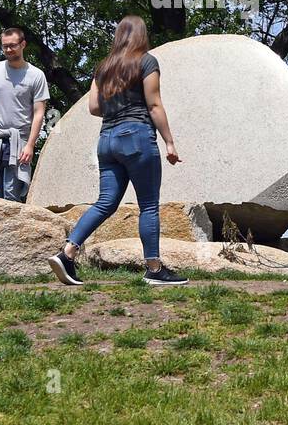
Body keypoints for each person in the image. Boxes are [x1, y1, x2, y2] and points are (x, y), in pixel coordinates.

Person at [47, 15, 187, 287]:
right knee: (148, 205)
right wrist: (169, 142)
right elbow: (154, 105)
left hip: (107, 140)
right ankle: (154, 268)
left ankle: (67, 252)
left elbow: (94, 108)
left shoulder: (104, 68)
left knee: (105, 202)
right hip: (136, 137)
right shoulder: (146, 61)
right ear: (141, 36)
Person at [0, 27, 50, 202]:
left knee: (12, 196)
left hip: (19, 143)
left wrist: (31, 145)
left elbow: (39, 113)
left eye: (12, 45)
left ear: (23, 44)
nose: (8, 50)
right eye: (4, 46)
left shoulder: (36, 75)